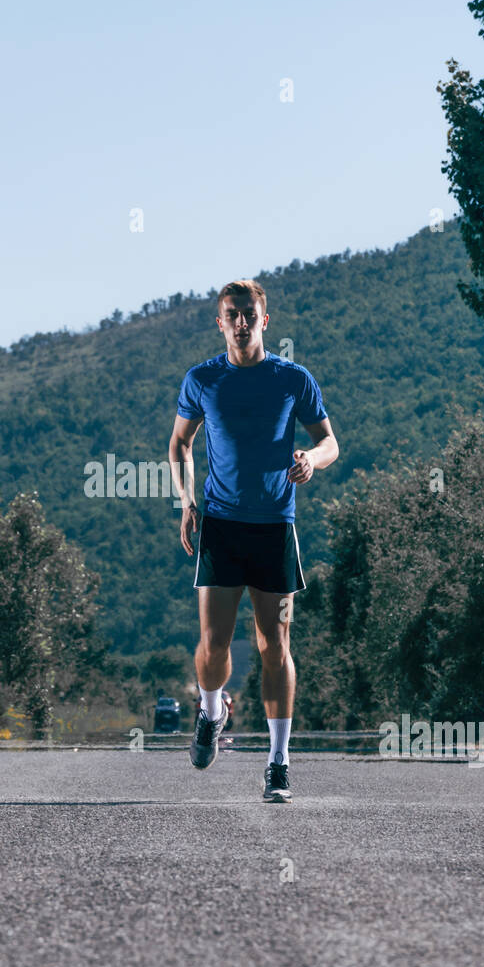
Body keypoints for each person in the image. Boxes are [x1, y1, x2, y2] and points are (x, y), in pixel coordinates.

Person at [169, 278, 339, 802]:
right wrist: (186, 501)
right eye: (231, 313)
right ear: (220, 322)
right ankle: (212, 710)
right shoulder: (202, 379)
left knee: (275, 645)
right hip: (220, 525)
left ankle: (278, 763)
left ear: (265, 321)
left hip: (274, 528)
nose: (241, 321)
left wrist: (312, 458)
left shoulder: (293, 379)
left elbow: (329, 441)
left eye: (249, 313)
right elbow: (180, 443)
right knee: (215, 645)